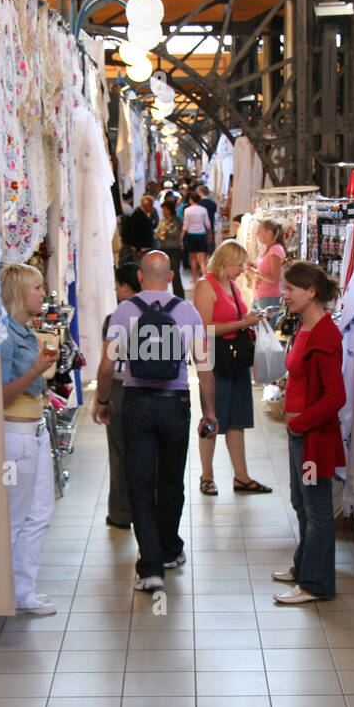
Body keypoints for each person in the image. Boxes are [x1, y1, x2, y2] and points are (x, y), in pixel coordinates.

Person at [95, 251, 218, 592]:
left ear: (139, 277)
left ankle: (150, 568)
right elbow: (205, 370)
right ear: (169, 277)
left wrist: (104, 401)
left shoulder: (124, 311)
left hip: (136, 406)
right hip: (175, 404)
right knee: (171, 482)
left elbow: (106, 368)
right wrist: (210, 413)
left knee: (140, 484)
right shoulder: (187, 311)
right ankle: (169, 549)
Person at [271, 261, 345, 604]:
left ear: (311, 292)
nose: (284, 295)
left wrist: (300, 422)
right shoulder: (304, 327)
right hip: (299, 433)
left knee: (316, 508)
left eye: (290, 290)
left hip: (312, 436)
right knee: (301, 502)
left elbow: (335, 397)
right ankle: (304, 566)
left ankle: (316, 584)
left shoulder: (325, 335)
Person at [0, 263, 62, 615]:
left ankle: (23, 590)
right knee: (14, 516)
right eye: (37, 288)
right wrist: (36, 371)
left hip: (33, 432)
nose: (42, 294)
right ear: (20, 292)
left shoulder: (23, 332)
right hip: (15, 435)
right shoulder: (6, 337)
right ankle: (4, 590)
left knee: (40, 513)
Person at [192, 239, 273, 496]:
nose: (242, 270)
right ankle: (207, 476)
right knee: (212, 418)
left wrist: (253, 319)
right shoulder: (206, 285)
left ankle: (241, 476)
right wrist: (242, 324)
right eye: (238, 265)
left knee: (237, 420)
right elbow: (203, 328)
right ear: (226, 263)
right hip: (215, 359)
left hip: (236, 358)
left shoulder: (231, 285)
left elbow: (236, 318)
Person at [103, 263, 141, 530]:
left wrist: (102, 399)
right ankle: (147, 511)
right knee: (149, 455)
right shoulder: (157, 313)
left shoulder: (115, 317)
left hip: (119, 386)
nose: (116, 290)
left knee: (119, 453)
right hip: (149, 389)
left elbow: (106, 365)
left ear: (127, 287)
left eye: (118, 285)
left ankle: (120, 512)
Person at [242, 219, 288, 331]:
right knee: (257, 329)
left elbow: (275, 279)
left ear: (268, 233)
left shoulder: (275, 250)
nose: (257, 234)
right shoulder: (264, 248)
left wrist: (256, 273)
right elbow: (265, 269)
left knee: (266, 332)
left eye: (259, 231)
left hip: (269, 296)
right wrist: (254, 267)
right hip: (259, 294)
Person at [154, 199, 186, 299]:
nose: (163, 211)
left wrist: (166, 233)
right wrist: (160, 235)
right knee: (162, 273)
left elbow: (176, 233)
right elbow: (157, 234)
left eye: (164, 209)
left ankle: (179, 297)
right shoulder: (162, 221)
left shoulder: (177, 220)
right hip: (163, 249)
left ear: (170, 210)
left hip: (174, 249)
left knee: (175, 273)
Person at [182, 190, 213, 278]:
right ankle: (204, 277)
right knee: (202, 260)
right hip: (202, 235)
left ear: (191, 200)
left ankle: (194, 278)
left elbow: (186, 225)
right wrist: (210, 234)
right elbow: (207, 223)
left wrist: (182, 235)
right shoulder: (203, 210)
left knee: (193, 259)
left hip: (191, 235)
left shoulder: (187, 210)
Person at [120, 194, 158, 264]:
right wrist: (138, 249)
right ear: (145, 205)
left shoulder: (145, 214)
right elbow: (136, 233)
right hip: (140, 248)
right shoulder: (137, 215)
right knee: (140, 265)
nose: (152, 208)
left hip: (145, 246)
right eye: (151, 205)